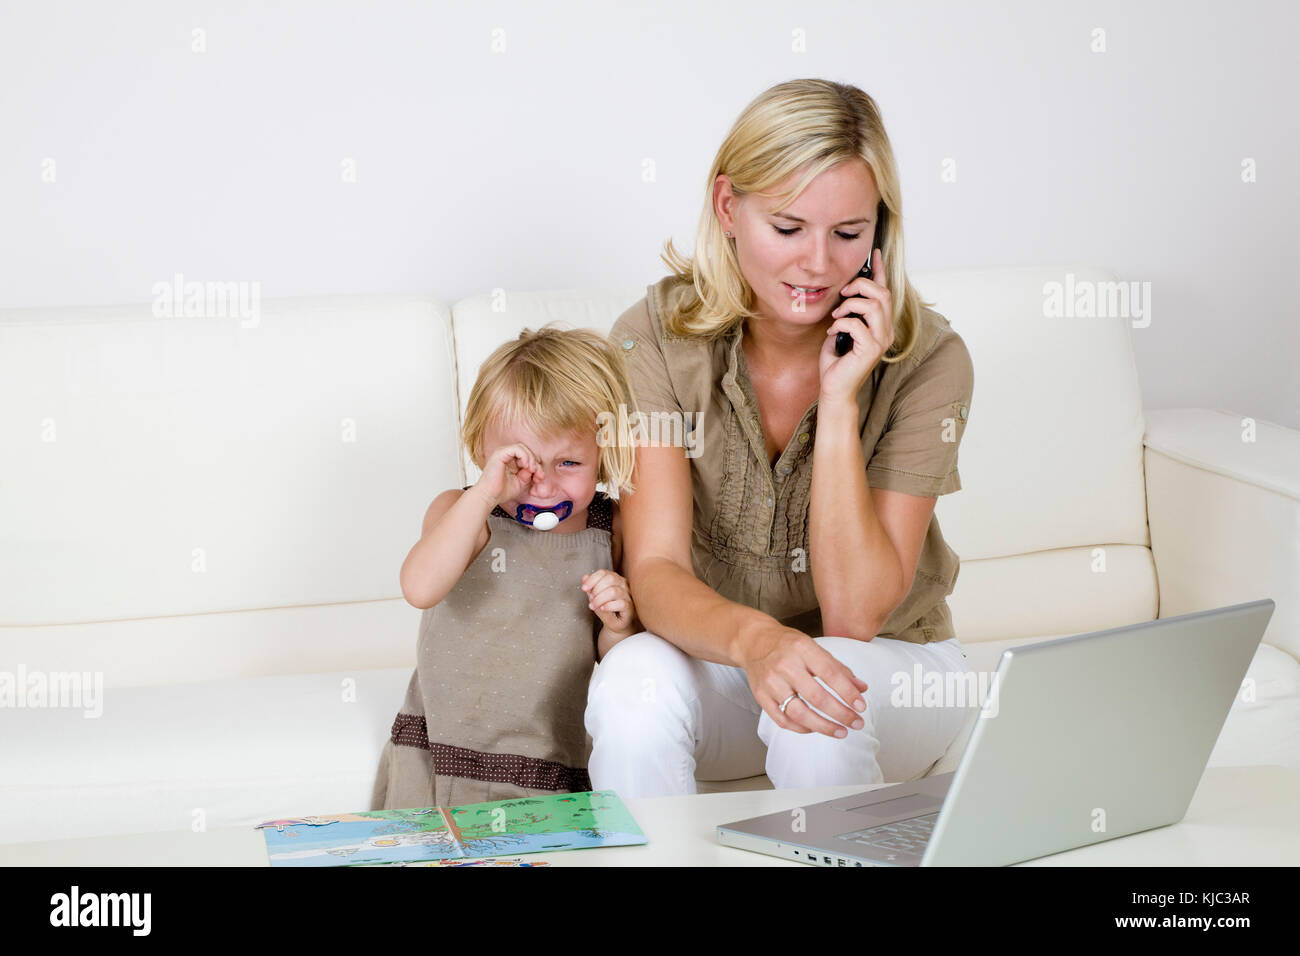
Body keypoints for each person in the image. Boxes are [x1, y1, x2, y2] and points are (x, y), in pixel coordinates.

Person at [584, 78, 978, 797]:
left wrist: (837, 401)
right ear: (728, 207)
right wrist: (760, 642)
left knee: (817, 700)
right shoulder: (652, 342)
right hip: (729, 657)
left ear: (880, 231)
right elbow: (658, 568)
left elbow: (855, 616)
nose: (818, 265)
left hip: (892, 669)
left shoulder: (932, 362)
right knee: (630, 682)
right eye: (789, 229)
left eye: (848, 234)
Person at [371, 325, 642, 810]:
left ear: (604, 452)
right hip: (442, 754)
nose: (542, 486)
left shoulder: (610, 529)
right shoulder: (463, 513)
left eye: (568, 463)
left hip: (548, 760)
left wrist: (617, 626)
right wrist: (483, 496)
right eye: (521, 462)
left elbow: (614, 663)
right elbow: (419, 587)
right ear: (482, 450)